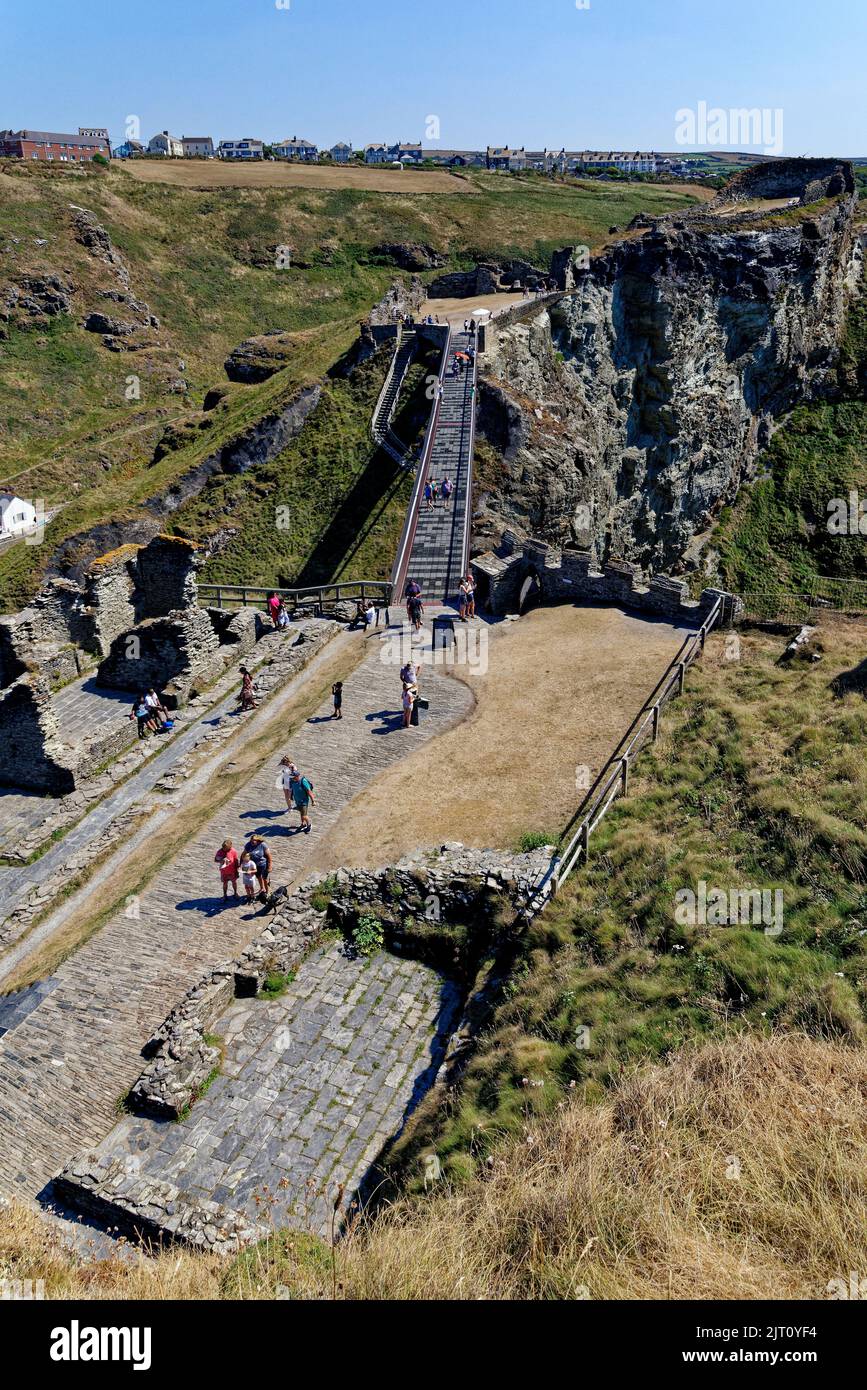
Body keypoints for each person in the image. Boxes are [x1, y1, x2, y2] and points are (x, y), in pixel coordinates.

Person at [288, 766, 315, 833]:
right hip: (298, 801)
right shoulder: (293, 781)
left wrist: (313, 801)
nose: (292, 778)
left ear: (297, 776)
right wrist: (291, 796)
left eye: (293, 777)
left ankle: (309, 825)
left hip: (304, 801)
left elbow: (309, 791)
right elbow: (293, 789)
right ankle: (303, 824)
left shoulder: (303, 781)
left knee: (304, 815)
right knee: (301, 813)